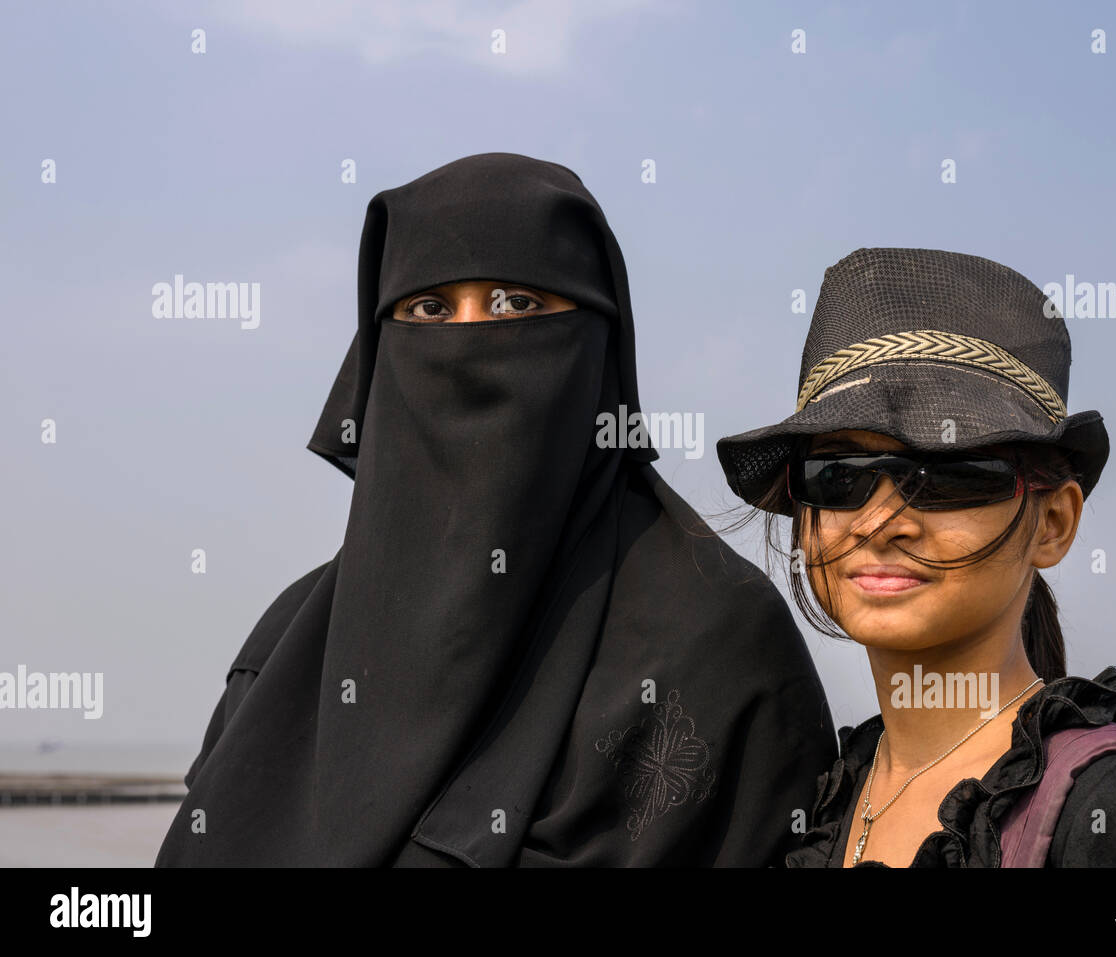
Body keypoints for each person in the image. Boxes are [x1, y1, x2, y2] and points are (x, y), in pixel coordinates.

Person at [155, 152, 836, 867]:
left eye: (517, 303)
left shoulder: (718, 643)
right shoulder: (289, 648)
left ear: (596, 341)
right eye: (430, 309)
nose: (472, 339)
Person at [715, 247, 1116, 867]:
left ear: (1054, 522)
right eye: (838, 474)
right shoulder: (815, 804)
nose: (880, 523)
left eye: (949, 475)